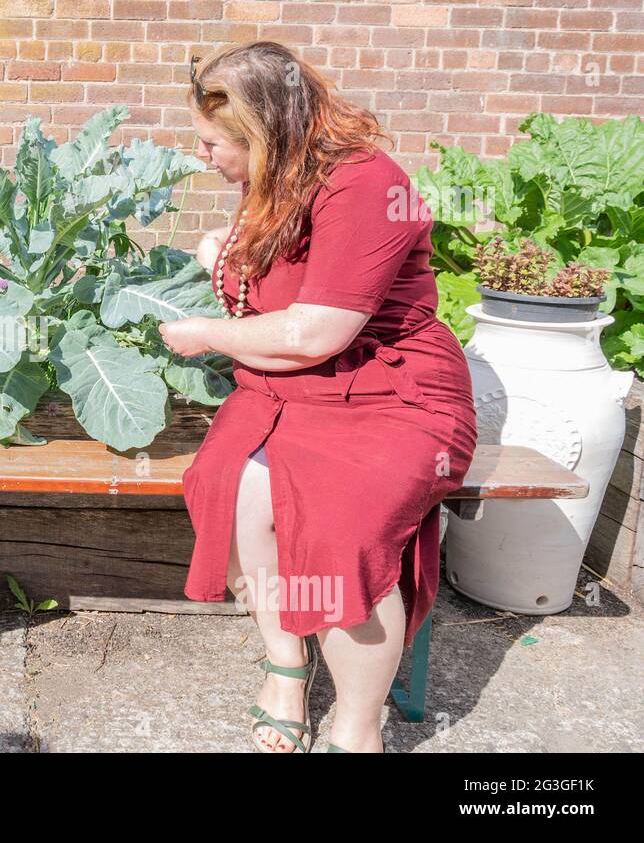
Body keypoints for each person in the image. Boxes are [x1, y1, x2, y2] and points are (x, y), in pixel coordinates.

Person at [159, 42, 477, 753]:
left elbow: (314, 332)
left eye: (212, 144)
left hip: (390, 391)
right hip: (288, 386)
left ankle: (357, 723)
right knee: (232, 493)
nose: (202, 157)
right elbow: (282, 278)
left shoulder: (365, 185)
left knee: (341, 531)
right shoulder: (276, 177)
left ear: (262, 133)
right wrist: (222, 252)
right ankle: (286, 668)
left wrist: (207, 333)